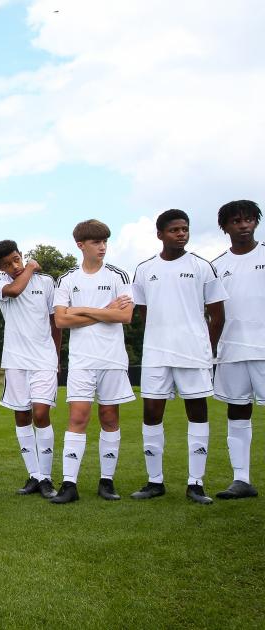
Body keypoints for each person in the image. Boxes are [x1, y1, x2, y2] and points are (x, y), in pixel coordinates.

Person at [131, 209, 227, 504]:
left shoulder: (202, 267)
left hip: (192, 355)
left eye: (185, 229)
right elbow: (143, 313)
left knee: (196, 413)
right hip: (157, 354)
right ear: (160, 234)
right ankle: (154, 481)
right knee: (151, 415)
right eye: (175, 230)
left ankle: (195, 483)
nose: (181, 234)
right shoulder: (145, 269)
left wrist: (205, 348)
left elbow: (217, 315)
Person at [50, 220, 135, 504]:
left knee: (110, 418)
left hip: (111, 359)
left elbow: (124, 316)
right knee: (78, 418)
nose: (102, 247)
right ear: (80, 245)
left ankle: (106, 481)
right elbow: (61, 320)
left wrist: (81, 310)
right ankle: (69, 484)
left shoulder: (118, 275)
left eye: (105, 242)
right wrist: (102, 310)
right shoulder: (67, 279)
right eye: (96, 242)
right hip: (81, 361)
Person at [0, 240, 61, 499]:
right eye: (8, 263)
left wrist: (56, 355)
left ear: (22, 254)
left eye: (17, 259)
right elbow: (15, 290)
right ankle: (34, 475)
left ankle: (47, 477)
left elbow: (56, 322)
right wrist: (29, 267)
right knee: (22, 416)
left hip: (43, 360)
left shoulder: (47, 282)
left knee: (41, 414)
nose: (15, 266)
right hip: (15, 359)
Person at [211, 200, 264, 499]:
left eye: (249, 220)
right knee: (237, 411)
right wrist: (210, 349)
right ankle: (241, 479)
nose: (243, 226)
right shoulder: (216, 266)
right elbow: (213, 315)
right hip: (231, 351)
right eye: (236, 221)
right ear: (225, 227)